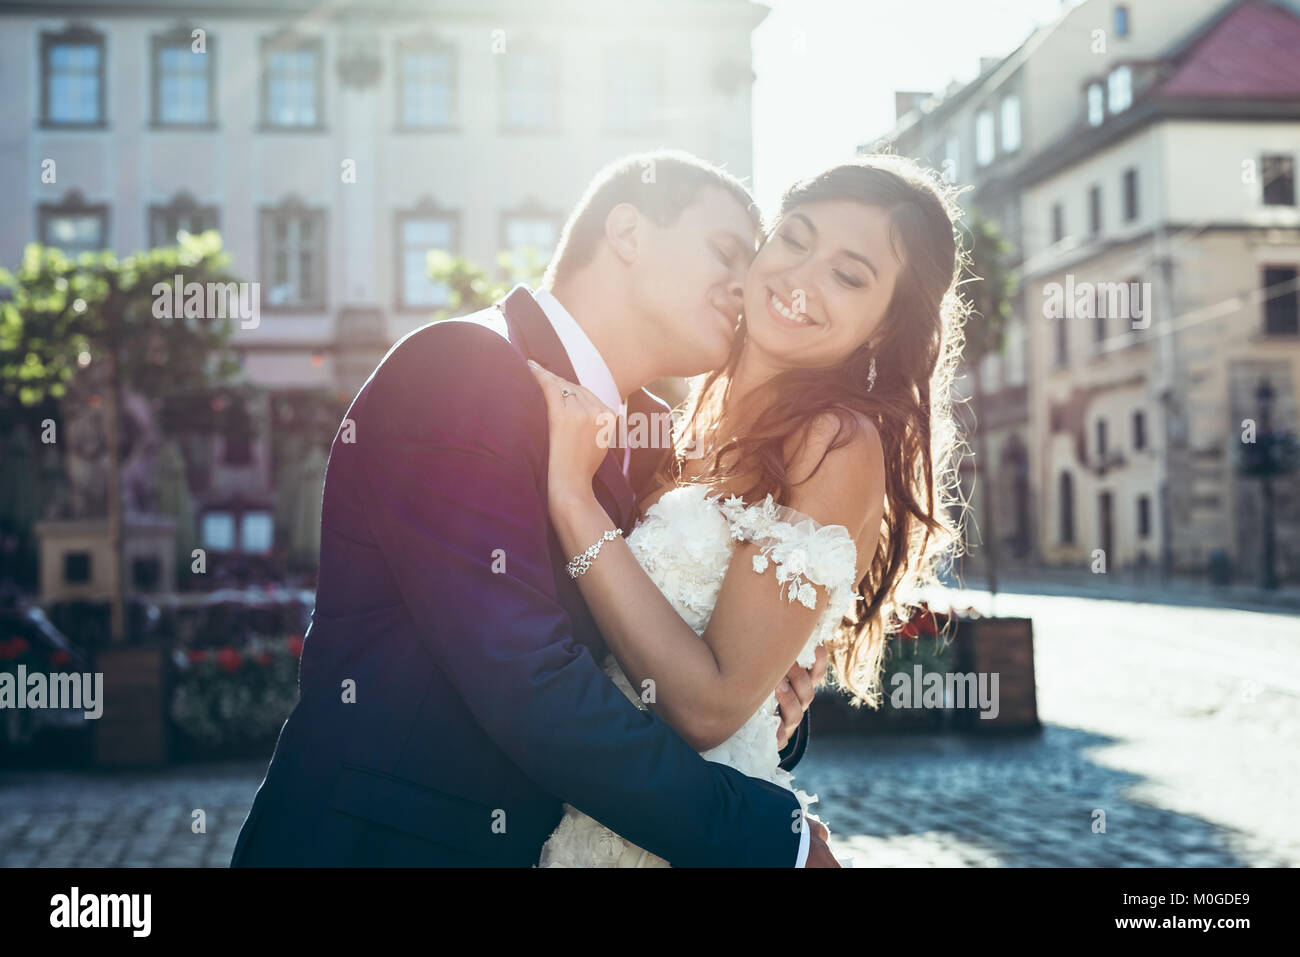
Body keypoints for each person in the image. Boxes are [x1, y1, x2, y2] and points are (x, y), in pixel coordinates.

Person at [230, 150, 837, 867]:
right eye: (727, 251)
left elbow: (655, 658)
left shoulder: (656, 440)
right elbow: (528, 681)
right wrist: (768, 839)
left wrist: (765, 707)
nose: (748, 285)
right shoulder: (460, 367)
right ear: (628, 232)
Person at [529, 154, 968, 866]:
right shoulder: (678, 425)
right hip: (597, 819)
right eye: (795, 237)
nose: (800, 278)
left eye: (849, 275)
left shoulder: (834, 439)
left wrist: (574, 501)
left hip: (691, 835)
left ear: (886, 327)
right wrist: (778, 709)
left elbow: (708, 708)